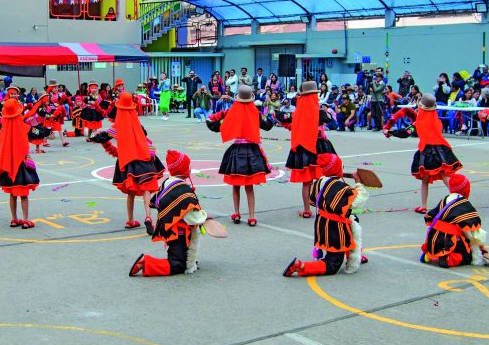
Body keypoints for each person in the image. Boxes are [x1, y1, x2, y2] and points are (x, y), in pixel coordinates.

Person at [89, 92, 165, 232]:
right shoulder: (137, 123)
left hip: (128, 160)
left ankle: (130, 220)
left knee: (131, 191)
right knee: (146, 189)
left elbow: (103, 137)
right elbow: (145, 134)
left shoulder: (118, 125)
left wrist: (93, 137)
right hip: (144, 157)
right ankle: (148, 217)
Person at [283, 154, 369, 277]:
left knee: (354, 220)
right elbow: (357, 202)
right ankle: (300, 266)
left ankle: (353, 254)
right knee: (332, 264)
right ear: (338, 169)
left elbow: (312, 200)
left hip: (322, 223)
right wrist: (358, 183)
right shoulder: (340, 187)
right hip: (335, 229)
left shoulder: (318, 182)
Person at [129, 150, 208, 277]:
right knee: (177, 265)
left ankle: (186, 258)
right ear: (183, 169)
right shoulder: (181, 189)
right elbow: (190, 216)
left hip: (171, 230)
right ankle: (146, 263)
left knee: (182, 257)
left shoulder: (168, 182)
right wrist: (203, 217)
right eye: (188, 166)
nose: (190, 168)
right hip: (178, 233)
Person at [207, 85, 274, 227]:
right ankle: (251, 216)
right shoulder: (255, 112)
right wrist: (268, 110)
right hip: (252, 151)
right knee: (249, 186)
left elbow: (214, 125)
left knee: (236, 185)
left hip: (236, 150)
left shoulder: (232, 112)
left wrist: (215, 116)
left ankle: (236, 213)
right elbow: (268, 124)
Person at [384, 94, 463, 213]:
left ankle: (424, 206)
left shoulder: (419, 122)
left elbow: (406, 133)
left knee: (425, 180)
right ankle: (460, 201)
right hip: (442, 150)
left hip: (427, 152)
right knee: (445, 177)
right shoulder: (436, 120)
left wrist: (389, 132)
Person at [285, 81, 337, 218]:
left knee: (306, 182)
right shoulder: (319, 112)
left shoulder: (298, 113)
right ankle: (323, 208)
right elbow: (330, 119)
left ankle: (307, 209)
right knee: (322, 180)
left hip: (304, 149)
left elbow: (284, 120)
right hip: (319, 147)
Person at [0, 98, 40, 228]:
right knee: (23, 194)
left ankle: (14, 218)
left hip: (8, 163)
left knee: (12, 193)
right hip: (20, 164)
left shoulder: (4, 127)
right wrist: (45, 131)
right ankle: (25, 219)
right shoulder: (23, 126)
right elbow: (36, 132)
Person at [419, 174, 489, 267]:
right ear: (466, 189)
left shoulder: (445, 199)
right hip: (449, 241)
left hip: (433, 238)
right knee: (466, 255)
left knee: (447, 232)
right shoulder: (464, 204)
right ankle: (447, 258)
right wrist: (479, 249)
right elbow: (472, 232)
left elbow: (432, 217)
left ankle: (429, 254)